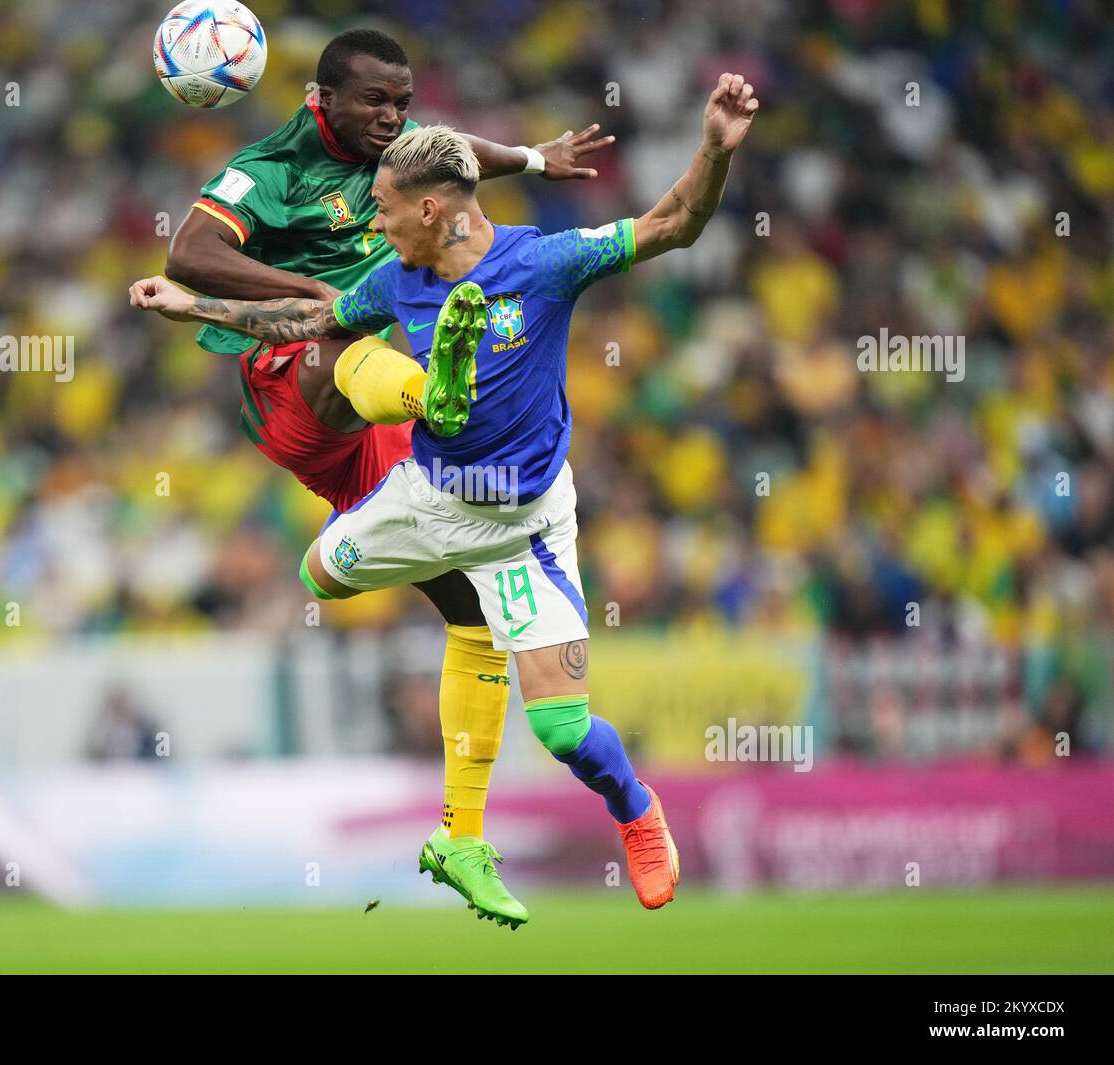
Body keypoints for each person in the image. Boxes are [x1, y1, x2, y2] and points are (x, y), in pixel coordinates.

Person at [133, 71, 760, 914]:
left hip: (522, 525)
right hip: (428, 500)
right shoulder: (397, 279)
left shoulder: (544, 262)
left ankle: (636, 810)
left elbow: (675, 224)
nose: (376, 223)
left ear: (432, 210)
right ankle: (434, 394)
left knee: (564, 731)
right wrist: (191, 303)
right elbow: (308, 324)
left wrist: (713, 149)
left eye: (386, 208)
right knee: (318, 570)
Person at [158, 28, 612, 927]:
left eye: (402, 103)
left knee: (476, 615)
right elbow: (188, 255)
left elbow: (451, 157)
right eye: (375, 103)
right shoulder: (271, 167)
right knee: (344, 337)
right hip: (294, 383)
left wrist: (531, 156)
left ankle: (461, 838)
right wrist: (307, 294)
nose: (392, 119)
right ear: (322, 98)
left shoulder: (400, 157)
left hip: (374, 419)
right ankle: (426, 392)